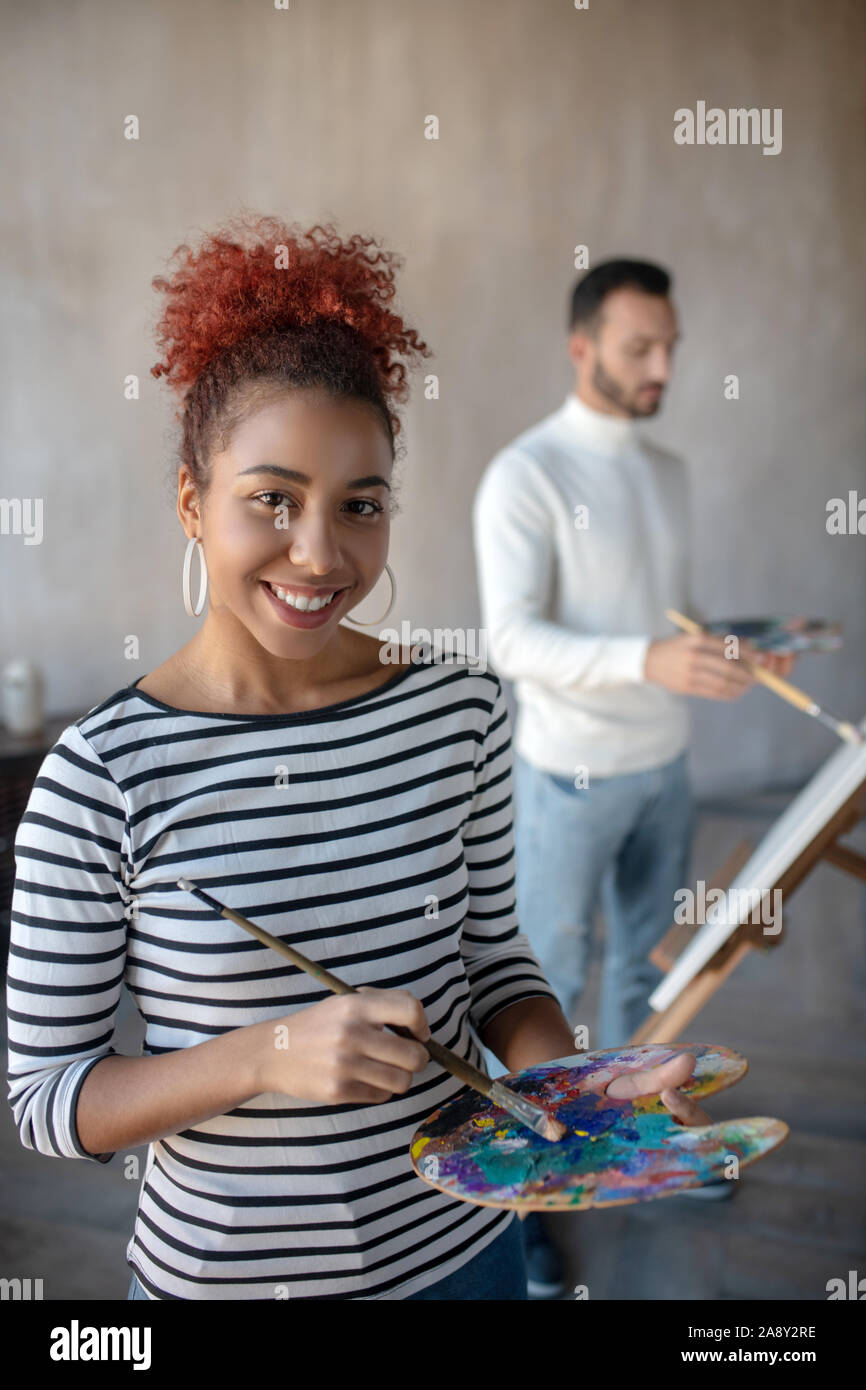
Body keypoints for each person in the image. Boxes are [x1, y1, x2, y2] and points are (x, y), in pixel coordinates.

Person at [7, 221, 714, 1302]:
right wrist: (262, 1054)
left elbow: (493, 965)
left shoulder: (458, 709)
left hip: (467, 1256)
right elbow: (48, 1102)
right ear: (193, 502)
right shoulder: (102, 778)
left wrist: (572, 1084)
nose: (320, 553)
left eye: (360, 505)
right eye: (272, 499)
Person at [472, 258, 794, 1294]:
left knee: (646, 981)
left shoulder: (665, 470)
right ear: (582, 348)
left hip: (664, 767)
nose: (660, 366)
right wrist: (646, 659)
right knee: (541, 995)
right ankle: (520, 1211)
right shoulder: (522, 474)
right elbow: (512, 638)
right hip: (565, 777)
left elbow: (673, 615)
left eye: (668, 347)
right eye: (637, 347)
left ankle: (632, 1150)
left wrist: (733, 648)